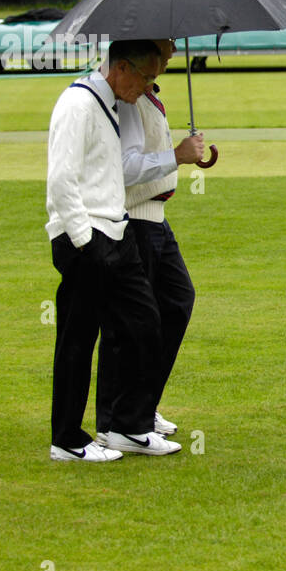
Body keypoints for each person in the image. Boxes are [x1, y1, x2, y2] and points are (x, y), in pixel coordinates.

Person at [44, 38, 183, 461]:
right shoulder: (79, 103)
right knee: (78, 338)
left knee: (144, 323)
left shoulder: (106, 105)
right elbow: (61, 180)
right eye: (144, 79)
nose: (145, 89)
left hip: (114, 233)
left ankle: (127, 426)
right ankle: (67, 439)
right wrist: (85, 241)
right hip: (86, 238)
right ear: (122, 68)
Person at [96, 39, 204, 445]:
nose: (175, 47)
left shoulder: (147, 94)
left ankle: (141, 405)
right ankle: (120, 420)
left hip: (157, 217)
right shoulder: (128, 99)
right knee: (131, 322)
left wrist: (184, 154)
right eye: (168, 43)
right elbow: (124, 168)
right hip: (137, 220)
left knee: (177, 303)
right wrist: (177, 155)